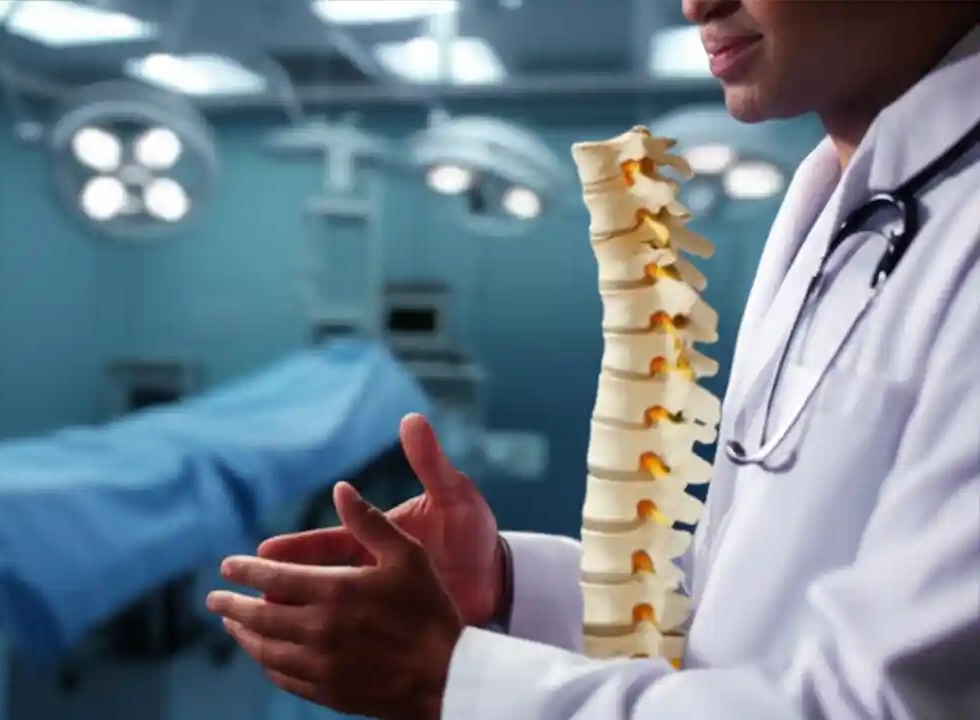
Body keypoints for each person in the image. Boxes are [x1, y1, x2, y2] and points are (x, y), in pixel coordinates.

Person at [207, 1, 980, 717]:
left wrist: (454, 679)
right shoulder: (845, 199)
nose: (694, 4)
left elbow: (889, 702)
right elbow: (740, 596)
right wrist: (511, 585)